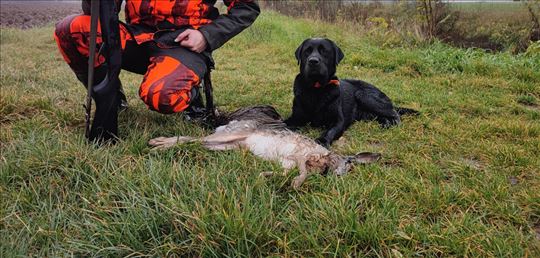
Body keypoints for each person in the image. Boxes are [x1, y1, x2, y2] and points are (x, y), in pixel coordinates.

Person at [54, 0, 260, 115]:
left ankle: (192, 98)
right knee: (71, 30)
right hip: (137, 37)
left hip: (184, 42)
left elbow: (247, 7)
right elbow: (100, 11)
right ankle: (112, 100)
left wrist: (206, 36)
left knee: (162, 97)